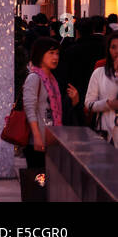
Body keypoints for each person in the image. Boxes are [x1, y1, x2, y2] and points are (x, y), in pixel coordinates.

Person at [23, 38, 80, 192]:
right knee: (38, 185)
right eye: (51, 53)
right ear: (40, 55)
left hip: (52, 140)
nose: (55, 57)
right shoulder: (34, 78)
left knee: (49, 186)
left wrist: (73, 101)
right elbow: (30, 108)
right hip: (38, 142)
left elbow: (56, 110)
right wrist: (36, 137)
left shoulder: (52, 79)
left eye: (57, 54)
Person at [86, 30, 118, 145]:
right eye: (113, 47)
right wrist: (107, 104)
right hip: (105, 130)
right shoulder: (99, 73)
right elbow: (89, 104)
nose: (116, 51)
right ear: (108, 50)